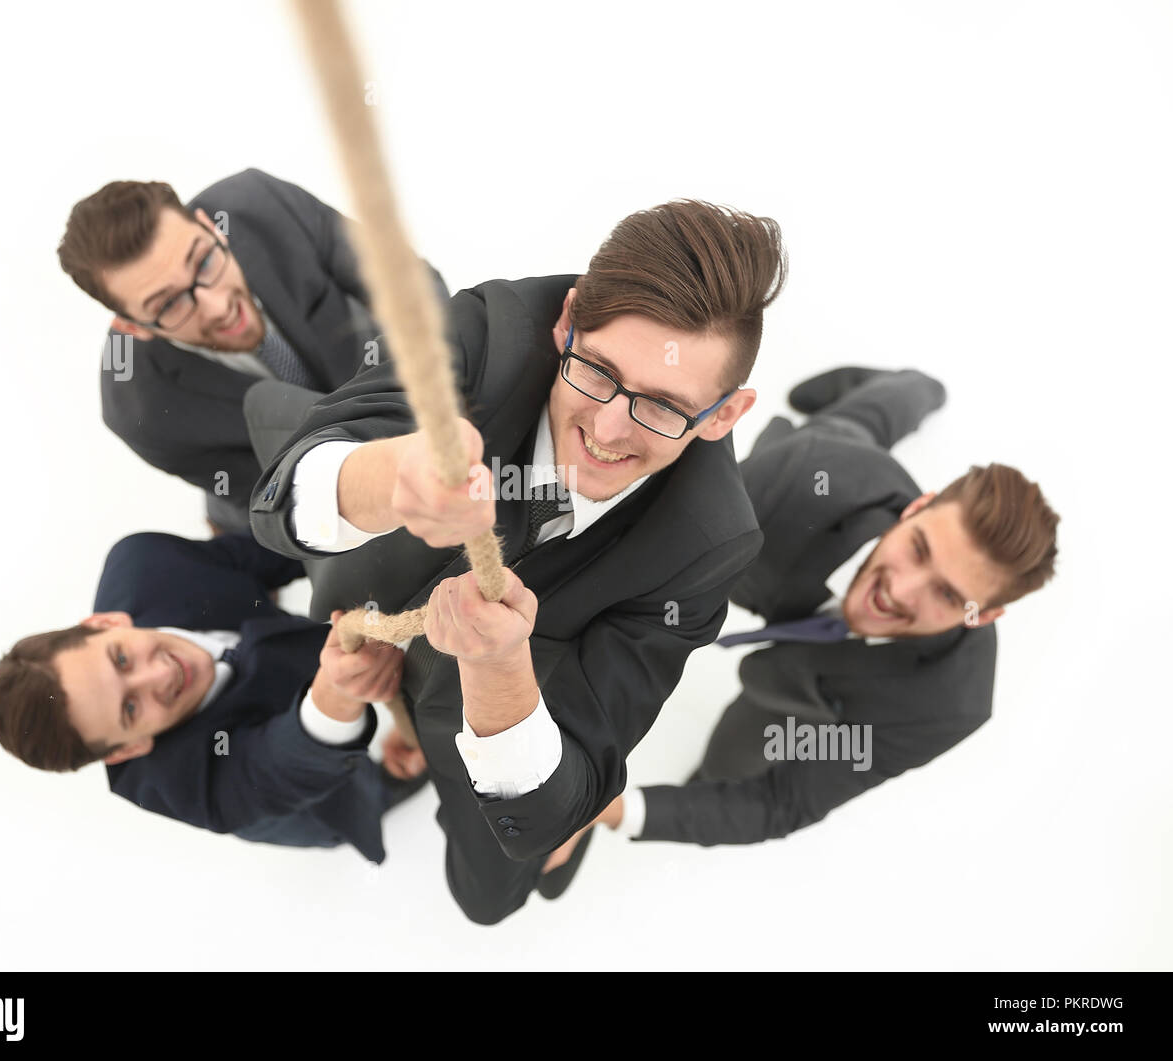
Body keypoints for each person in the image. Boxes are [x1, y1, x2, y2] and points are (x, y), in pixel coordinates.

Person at [247, 196, 787, 923]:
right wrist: (391, 482)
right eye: (595, 370)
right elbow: (283, 496)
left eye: (662, 407)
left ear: (723, 415)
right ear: (566, 321)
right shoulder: (489, 332)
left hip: (507, 719)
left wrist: (501, 673)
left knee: (488, 896)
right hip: (367, 600)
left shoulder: (708, 543)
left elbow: (562, 783)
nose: (605, 428)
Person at [586, 367, 1060, 850]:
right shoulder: (801, 476)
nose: (901, 591)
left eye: (947, 595)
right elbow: (633, 570)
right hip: (816, 494)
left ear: (982, 616)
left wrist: (616, 812)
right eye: (918, 549)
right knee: (871, 415)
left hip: (807, 687)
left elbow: (780, 802)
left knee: (731, 765)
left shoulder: (947, 705)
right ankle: (921, 384)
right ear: (916, 508)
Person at [0, 531, 423, 862]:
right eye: (131, 708)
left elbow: (281, 548)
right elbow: (276, 768)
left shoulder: (145, 563)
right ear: (131, 747)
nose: (161, 673)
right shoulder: (172, 784)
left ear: (106, 624)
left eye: (121, 659)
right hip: (261, 780)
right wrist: (336, 698)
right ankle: (387, 786)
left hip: (277, 642)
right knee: (333, 808)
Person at [56, 169, 448, 532]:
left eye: (204, 260)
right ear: (132, 328)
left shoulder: (262, 205)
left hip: (390, 388)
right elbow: (275, 502)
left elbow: (413, 291)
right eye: (169, 305)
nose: (217, 306)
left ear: (210, 225)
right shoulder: (139, 413)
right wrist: (382, 481)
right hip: (275, 488)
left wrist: (428, 421)